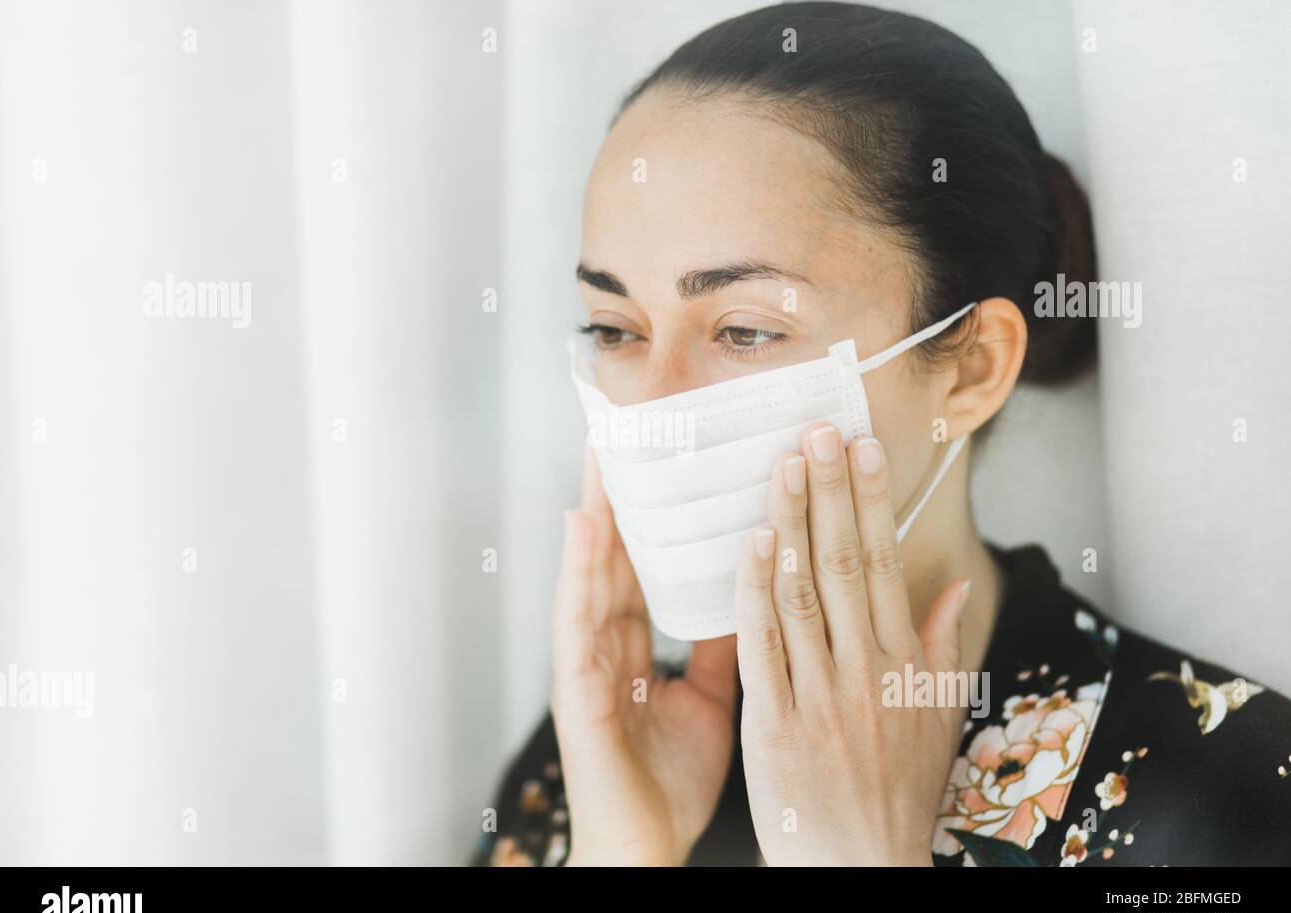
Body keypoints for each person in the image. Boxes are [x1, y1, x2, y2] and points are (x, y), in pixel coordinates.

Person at [473, 1, 1291, 867]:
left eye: (746, 329)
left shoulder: (1222, 794)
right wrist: (625, 848)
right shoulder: (598, 757)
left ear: (972, 367)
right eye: (614, 329)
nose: (652, 408)